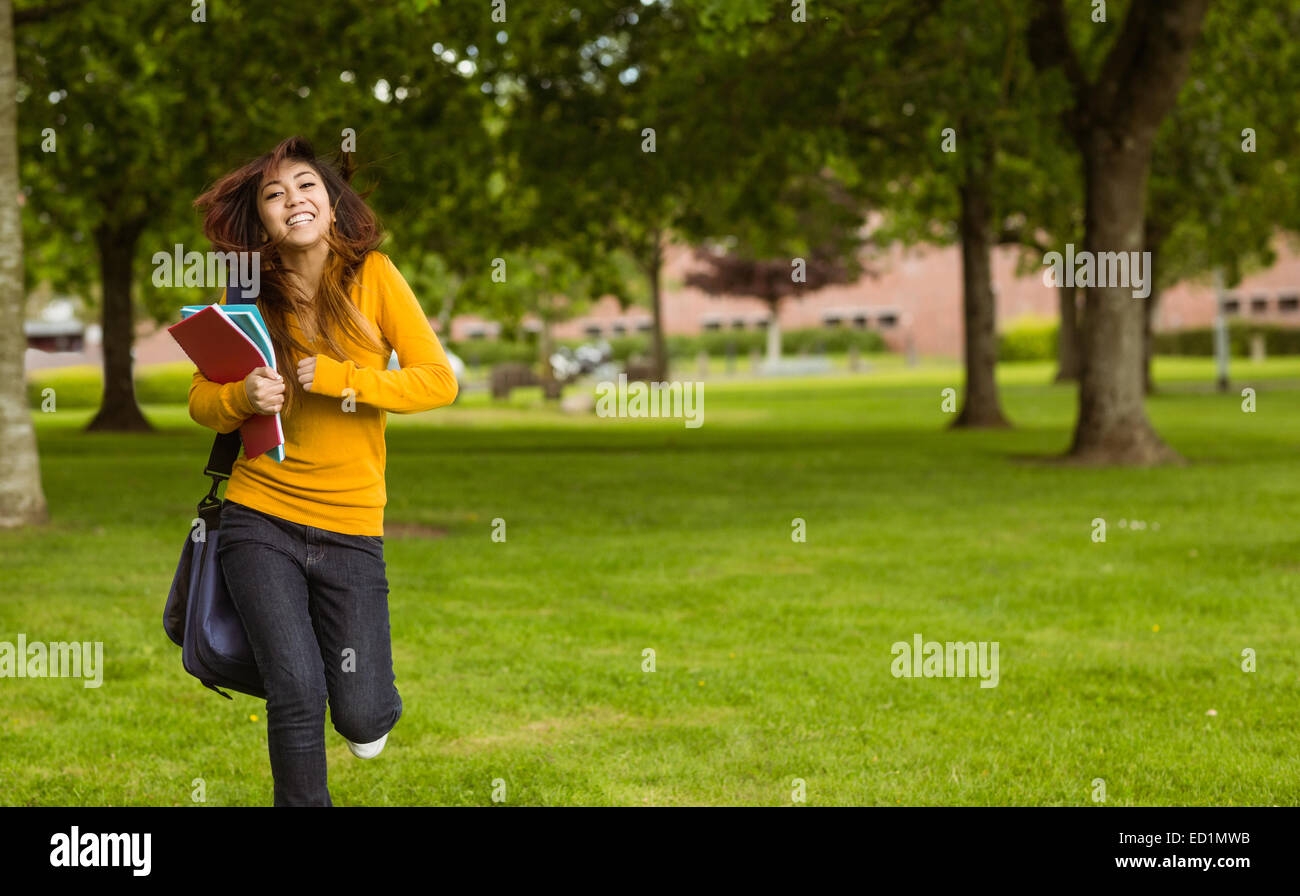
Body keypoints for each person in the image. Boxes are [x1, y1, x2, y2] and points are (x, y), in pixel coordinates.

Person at [187, 136, 458, 806]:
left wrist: (346, 379)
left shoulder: (376, 277)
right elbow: (201, 398)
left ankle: (368, 707)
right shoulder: (248, 291)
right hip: (261, 515)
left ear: (333, 205)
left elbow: (437, 382)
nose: (293, 201)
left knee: (361, 713)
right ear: (263, 220)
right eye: (274, 195)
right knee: (297, 691)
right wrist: (240, 398)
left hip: (351, 526)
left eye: (306, 186)